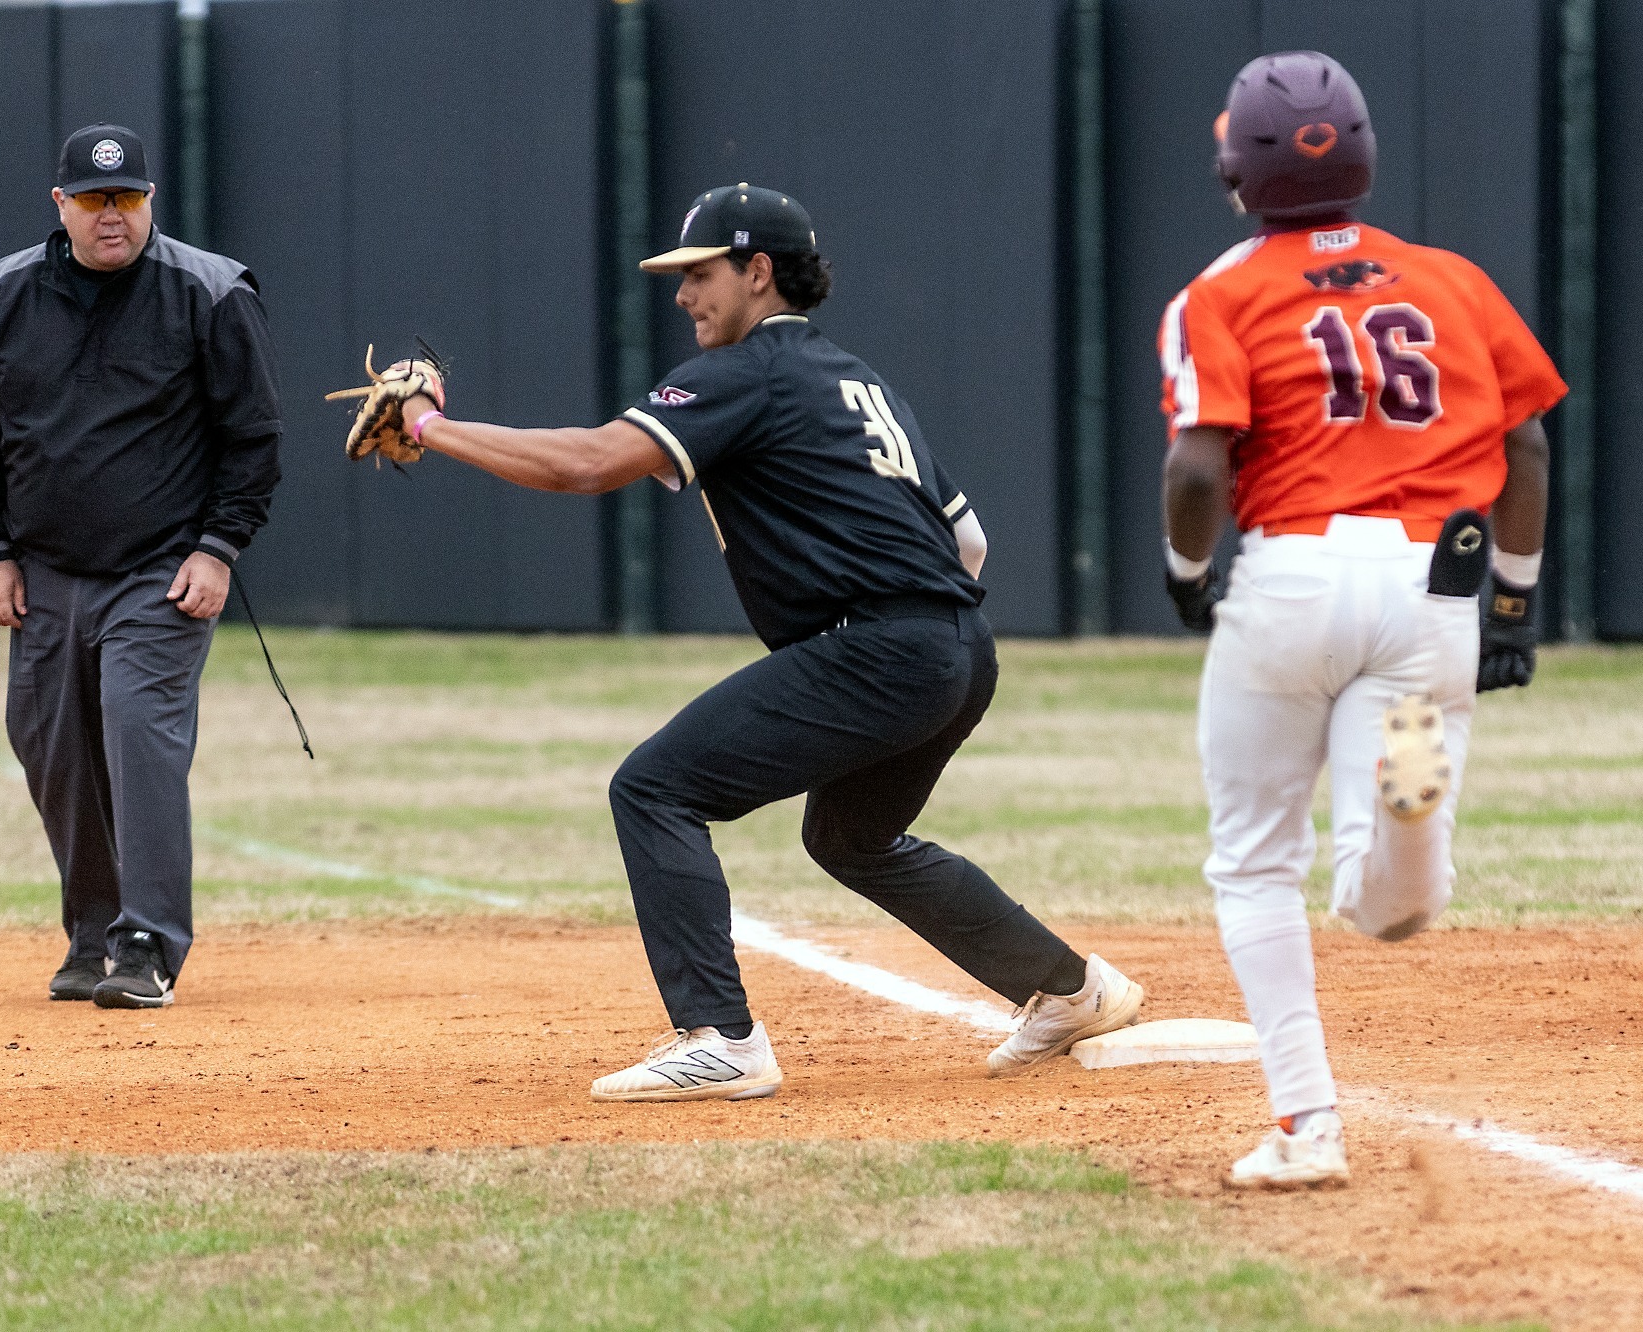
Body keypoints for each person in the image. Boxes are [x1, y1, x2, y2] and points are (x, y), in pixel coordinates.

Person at [372, 184, 1143, 1100]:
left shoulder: (746, 372)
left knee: (654, 788)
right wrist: (920, 625)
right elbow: (969, 543)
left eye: (699, 274)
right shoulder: (858, 379)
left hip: (882, 649)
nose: (683, 295)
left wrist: (429, 426)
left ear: (758, 272)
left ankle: (719, 1036)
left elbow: (583, 467)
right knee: (852, 837)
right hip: (959, 646)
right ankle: (1067, 988)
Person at [1158, 53, 1564, 1187]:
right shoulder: (1449, 278)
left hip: (1290, 577)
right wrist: (1517, 604)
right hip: (1433, 581)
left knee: (1249, 866)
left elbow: (1198, 464)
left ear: (1236, 165)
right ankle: (1403, 814)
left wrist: (1187, 573)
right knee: (1389, 908)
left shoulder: (1218, 294)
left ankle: (1305, 1128)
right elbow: (1524, 444)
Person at [0, 124, 283, 1009]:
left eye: (127, 199)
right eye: (94, 201)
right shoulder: (2, 293)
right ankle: (93, 929)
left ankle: (148, 943)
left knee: (138, 733)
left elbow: (253, 441)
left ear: (150, 203)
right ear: (60, 205)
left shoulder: (207, 291)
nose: (112, 216)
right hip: (46, 570)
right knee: (51, 748)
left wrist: (218, 549)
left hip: (160, 570)